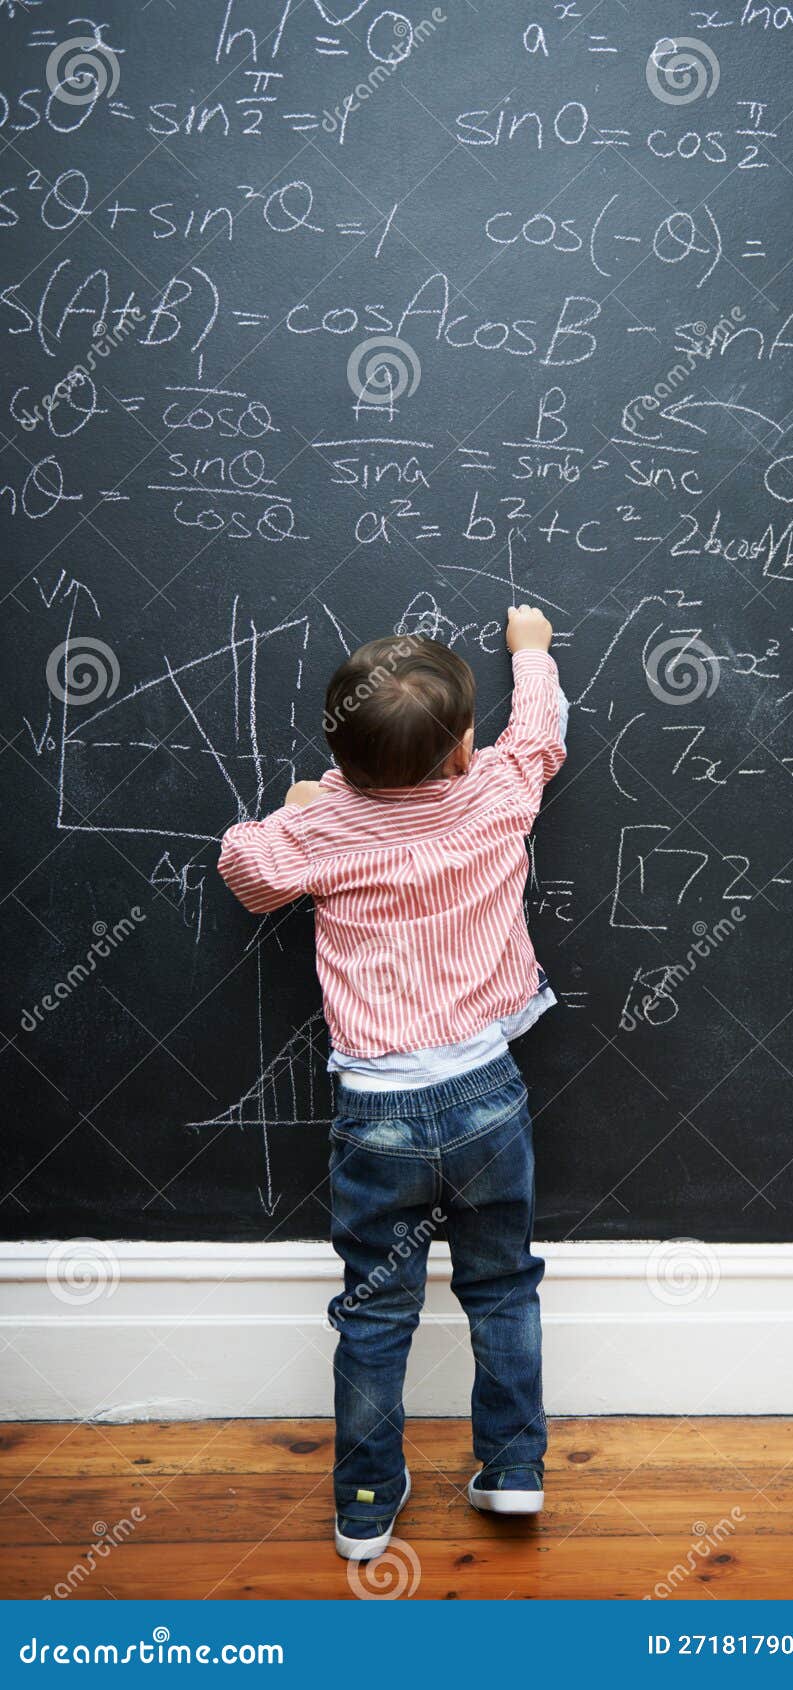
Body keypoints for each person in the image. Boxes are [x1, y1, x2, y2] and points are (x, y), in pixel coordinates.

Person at [218, 605, 566, 1560]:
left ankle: (366, 1499)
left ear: (342, 751)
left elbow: (245, 872)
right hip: (487, 1094)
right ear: (461, 749)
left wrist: (295, 809)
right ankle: (513, 1470)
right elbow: (536, 736)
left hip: (377, 1109)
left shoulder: (323, 824)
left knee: (376, 1305)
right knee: (503, 1287)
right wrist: (530, 655)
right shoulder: (497, 791)